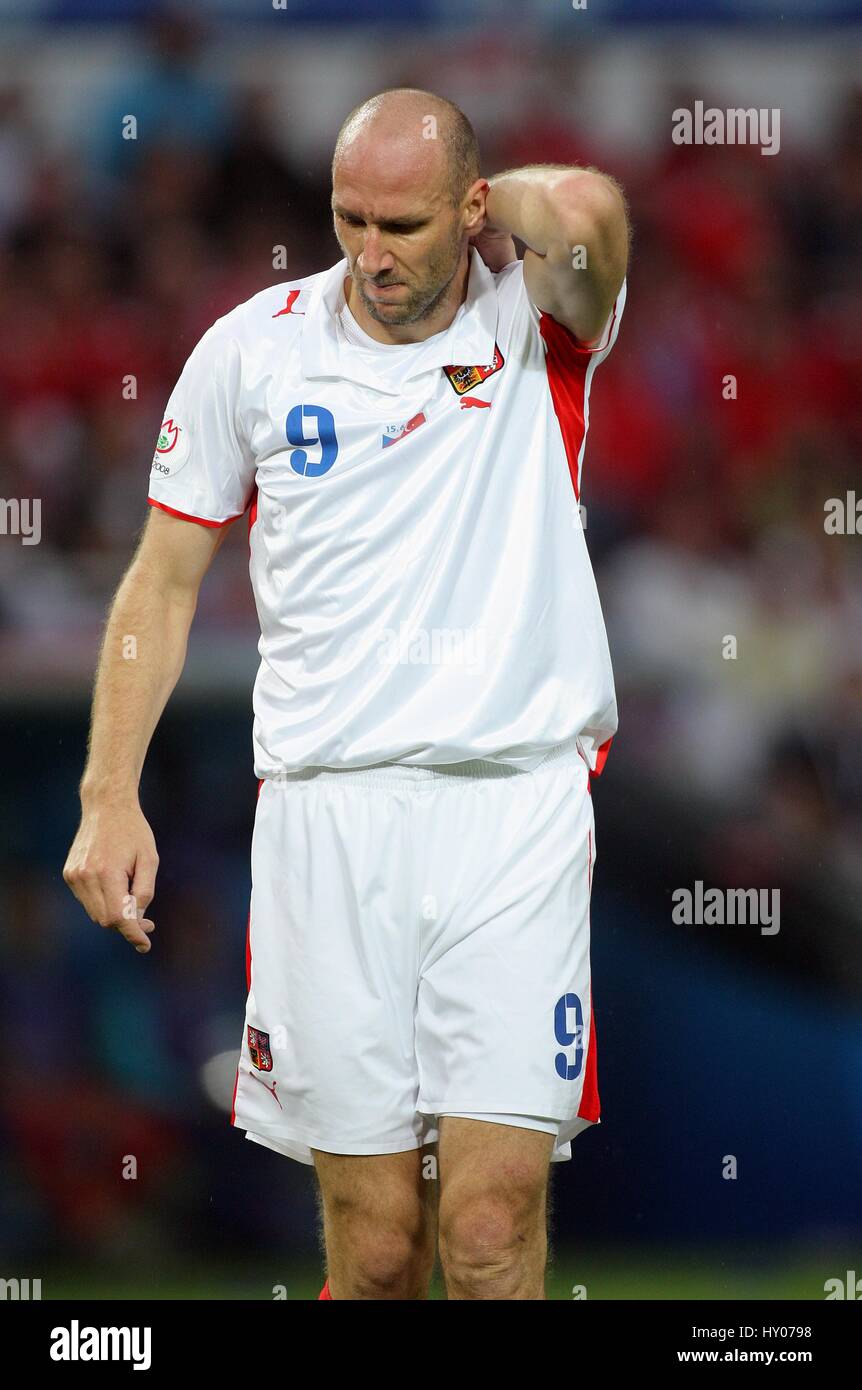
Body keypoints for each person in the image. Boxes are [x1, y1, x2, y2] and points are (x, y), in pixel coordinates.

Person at [63, 87, 629, 1300]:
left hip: (509, 816)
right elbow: (160, 587)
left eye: (405, 226)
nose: (370, 255)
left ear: (473, 210)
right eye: (348, 220)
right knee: (374, 1250)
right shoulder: (252, 351)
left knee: (485, 1228)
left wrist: (502, 218)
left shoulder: (537, 324)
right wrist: (110, 792)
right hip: (326, 821)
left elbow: (586, 210)